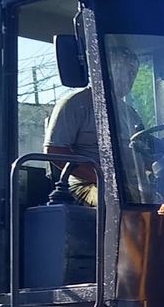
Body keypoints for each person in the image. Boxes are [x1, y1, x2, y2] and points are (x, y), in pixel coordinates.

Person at [44, 44, 143, 206]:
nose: (131, 78)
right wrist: (103, 178)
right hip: (86, 184)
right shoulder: (75, 103)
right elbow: (55, 150)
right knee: (123, 198)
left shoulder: (130, 113)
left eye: (134, 73)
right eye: (127, 71)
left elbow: (142, 150)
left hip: (127, 183)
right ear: (110, 69)